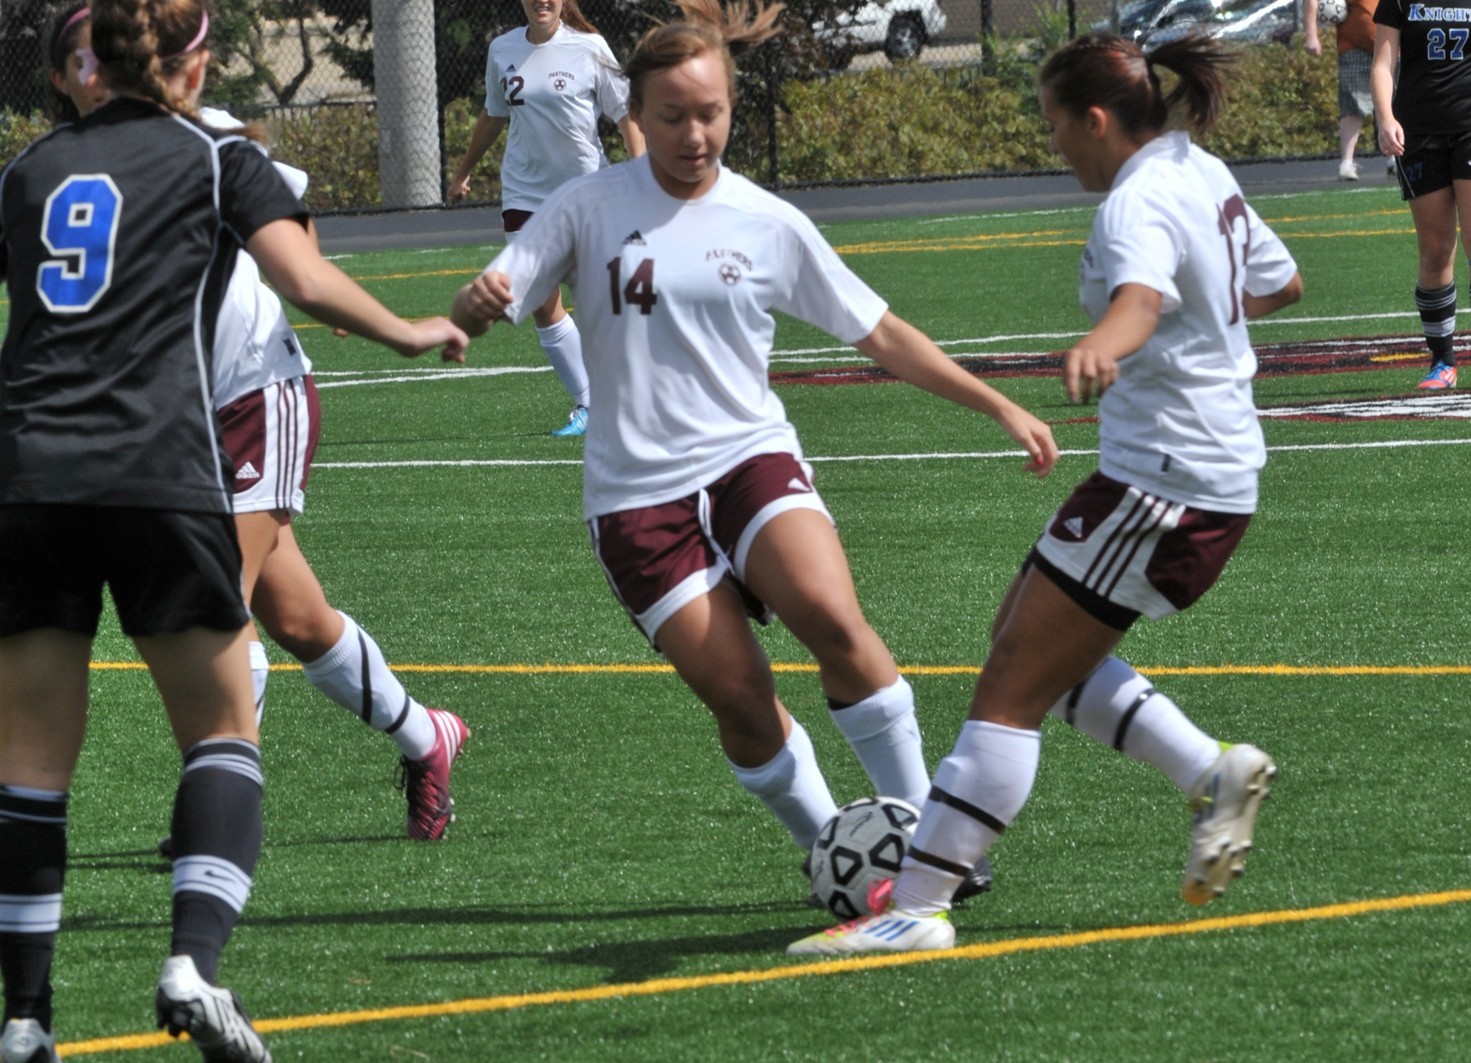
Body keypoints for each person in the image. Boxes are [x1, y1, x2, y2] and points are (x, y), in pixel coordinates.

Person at [451, 0, 1058, 902]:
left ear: (732, 107)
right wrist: (470, 307)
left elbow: (880, 332)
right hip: (635, 497)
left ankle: (933, 837)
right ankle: (840, 856)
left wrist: (995, 402)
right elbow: (502, 290)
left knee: (833, 618)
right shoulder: (588, 206)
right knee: (738, 693)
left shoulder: (767, 220)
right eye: (671, 117)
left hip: (747, 460)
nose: (694, 134)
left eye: (711, 113)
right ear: (639, 115)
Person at [0, 0, 467, 1060]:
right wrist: (410, 329)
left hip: (62, 464)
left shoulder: (26, 172)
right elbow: (305, 276)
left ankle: (25, 1018)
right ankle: (193, 958)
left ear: (93, 67)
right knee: (227, 712)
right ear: (193, 60)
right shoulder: (217, 158)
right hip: (160, 461)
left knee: (29, 761)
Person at [789, 32, 1304, 956]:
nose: (1054, 144)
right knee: (1022, 645)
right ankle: (1209, 769)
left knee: (1010, 687)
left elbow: (1142, 301)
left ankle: (919, 903)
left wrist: (1112, 338)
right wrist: (1192, 323)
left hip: (1165, 480)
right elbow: (1279, 283)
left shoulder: (1136, 202)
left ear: (1096, 120)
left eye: (1057, 125)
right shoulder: (1198, 168)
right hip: (1192, 472)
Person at [447, 0, 646, 439]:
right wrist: (463, 172)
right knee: (540, 299)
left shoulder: (590, 48)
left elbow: (625, 115)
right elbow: (493, 114)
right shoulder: (502, 49)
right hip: (524, 193)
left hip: (586, 193)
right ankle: (588, 403)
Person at [1373, 0, 1471, 391]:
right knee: (1437, 247)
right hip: (1419, 129)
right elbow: (1382, 63)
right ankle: (1442, 362)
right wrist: (1385, 117)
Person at [1302, 0, 1395, 182]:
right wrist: (1311, 34)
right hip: (1354, 46)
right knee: (1352, 104)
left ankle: (1395, 159)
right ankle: (1347, 163)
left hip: (1392, 47)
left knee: (1394, 103)